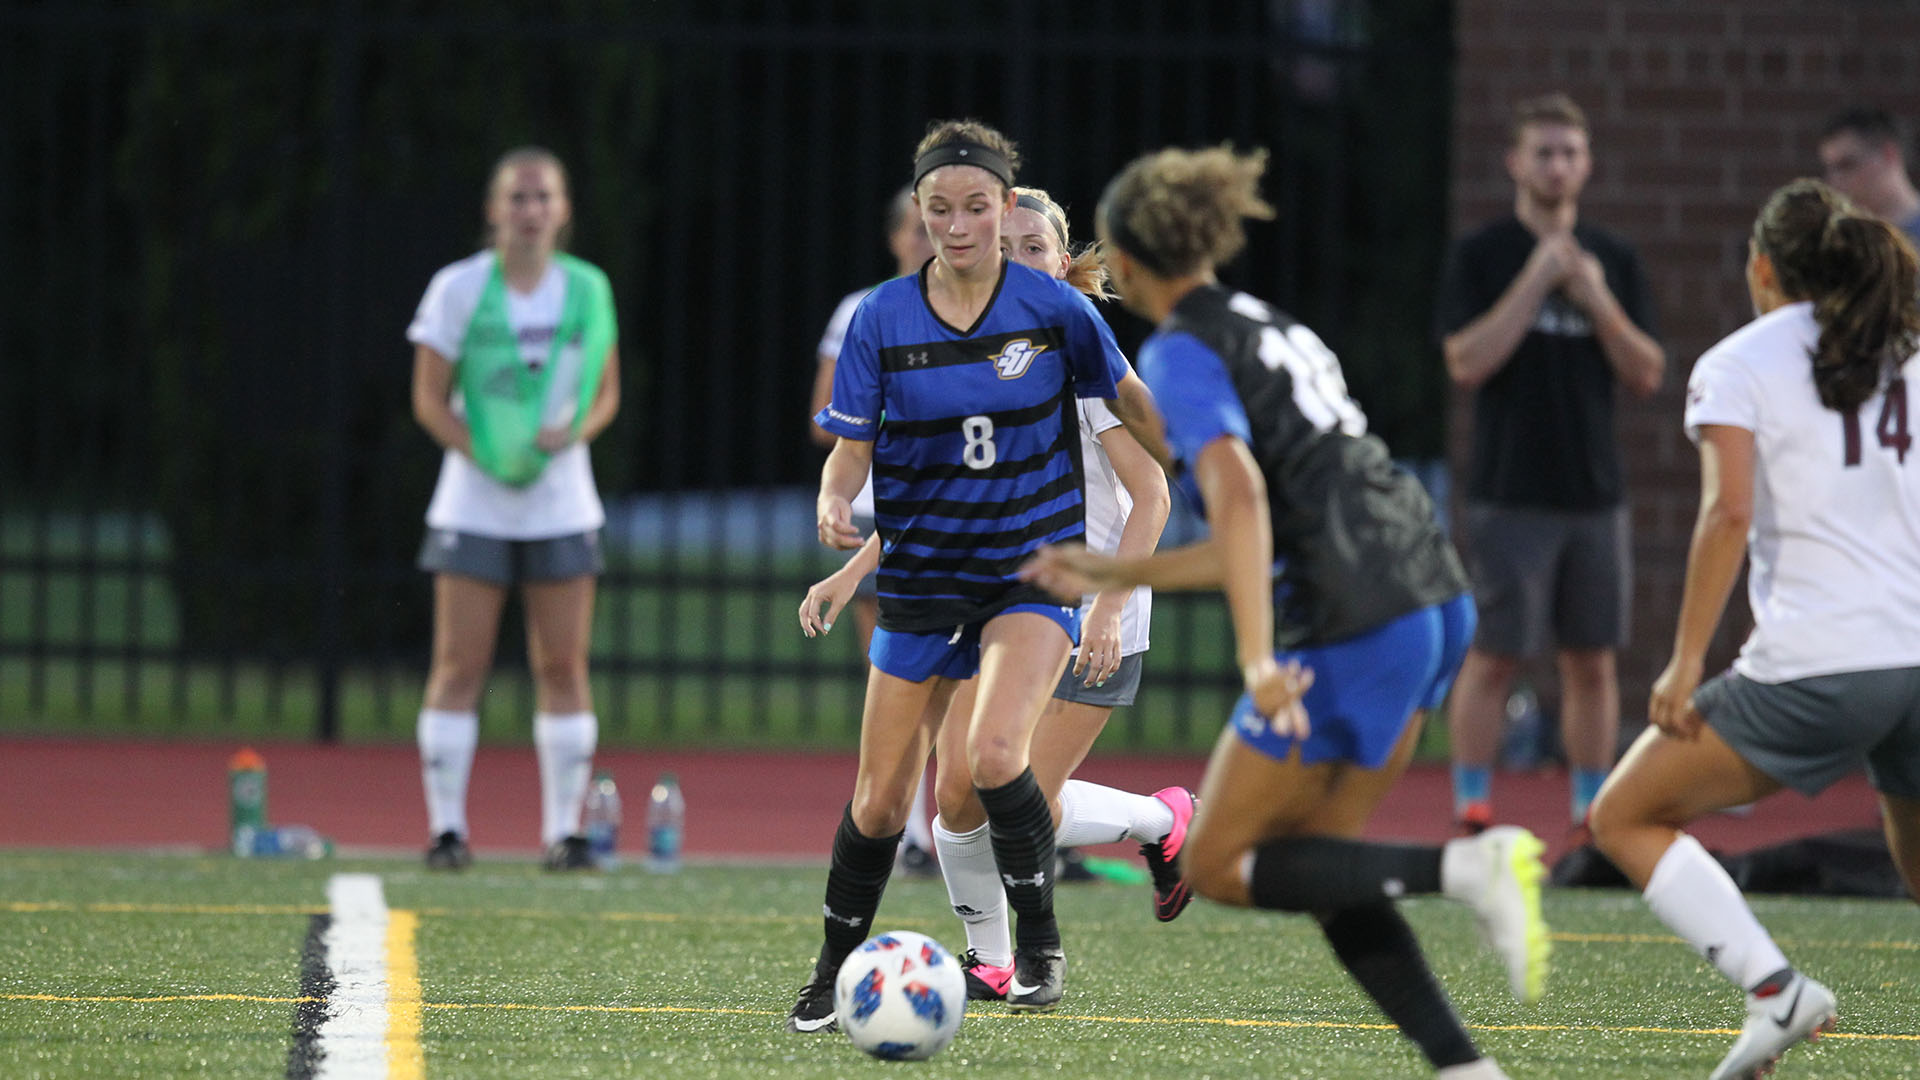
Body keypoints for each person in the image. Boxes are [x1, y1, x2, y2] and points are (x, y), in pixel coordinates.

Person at [1022, 144, 1550, 1079]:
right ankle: (1465, 1066)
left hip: (1354, 617)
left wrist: (1260, 662)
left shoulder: (1180, 349)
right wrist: (1110, 571)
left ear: (1129, 265)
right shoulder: (1271, 323)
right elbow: (1257, 525)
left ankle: (1467, 869)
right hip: (1431, 595)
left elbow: (1241, 502)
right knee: (1315, 858)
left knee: (1221, 862)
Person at [786, 118, 1166, 1031]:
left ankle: (1033, 950)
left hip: (1030, 575)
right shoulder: (882, 317)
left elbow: (1142, 425)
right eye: (939, 208)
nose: (959, 226)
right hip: (924, 576)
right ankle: (831, 971)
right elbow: (856, 450)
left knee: (996, 758)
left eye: (979, 207)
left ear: (1003, 209)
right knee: (883, 800)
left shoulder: (1058, 314)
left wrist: (1212, 437)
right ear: (917, 214)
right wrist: (837, 505)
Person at [1589, 178, 1920, 1080]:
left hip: (1829, 662)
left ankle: (1774, 991)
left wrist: (1686, 660)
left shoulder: (1742, 360)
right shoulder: (1905, 349)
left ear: (1765, 267)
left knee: (1622, 814)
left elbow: (1726, 516)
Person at [1437, 92, 1665, 835]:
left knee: (1592, 660)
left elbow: (1647, 372)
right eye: (1544, 152)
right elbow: (1466, 361)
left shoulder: (1615, 260)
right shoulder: (1482, 255)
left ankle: (1591, 812)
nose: (1557, 166)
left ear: (1588, 165)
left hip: (1595, 493)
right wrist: (1535, 279)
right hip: (1510, 491)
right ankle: (1473, 805)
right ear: (1515, 162)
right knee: (1497, 654)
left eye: (1570, 153)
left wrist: (1595, 296)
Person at [405, 146, 622, 872]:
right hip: (474, 499)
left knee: (562, 663)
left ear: (563, 211)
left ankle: (565, 831)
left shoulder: (587, 289)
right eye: (517, 198)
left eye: (543, 198)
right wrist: (483, 451)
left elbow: (605, 396)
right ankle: (446, 830)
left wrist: (574, 434)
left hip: (561, 501)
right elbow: (429, 399)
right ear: (494, 210)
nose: (530, 211)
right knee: (458, 662)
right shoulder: (458, 289)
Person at [807, 186, 942, 878]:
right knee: (896, 672)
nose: (928, 238)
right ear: (895, 238)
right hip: (887, 506)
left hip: (961, 510)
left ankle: (964, 825)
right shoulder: (868, 310)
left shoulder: (976, 308)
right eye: (917, 228)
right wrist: (893, 437)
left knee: (970, 682)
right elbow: (828, 418)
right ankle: (912, 831)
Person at [1818, 105, 1920, 247]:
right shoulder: (1836, 240)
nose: (1834, 180)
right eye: (1830, 169)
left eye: (1847, 165)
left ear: (1888, 154)